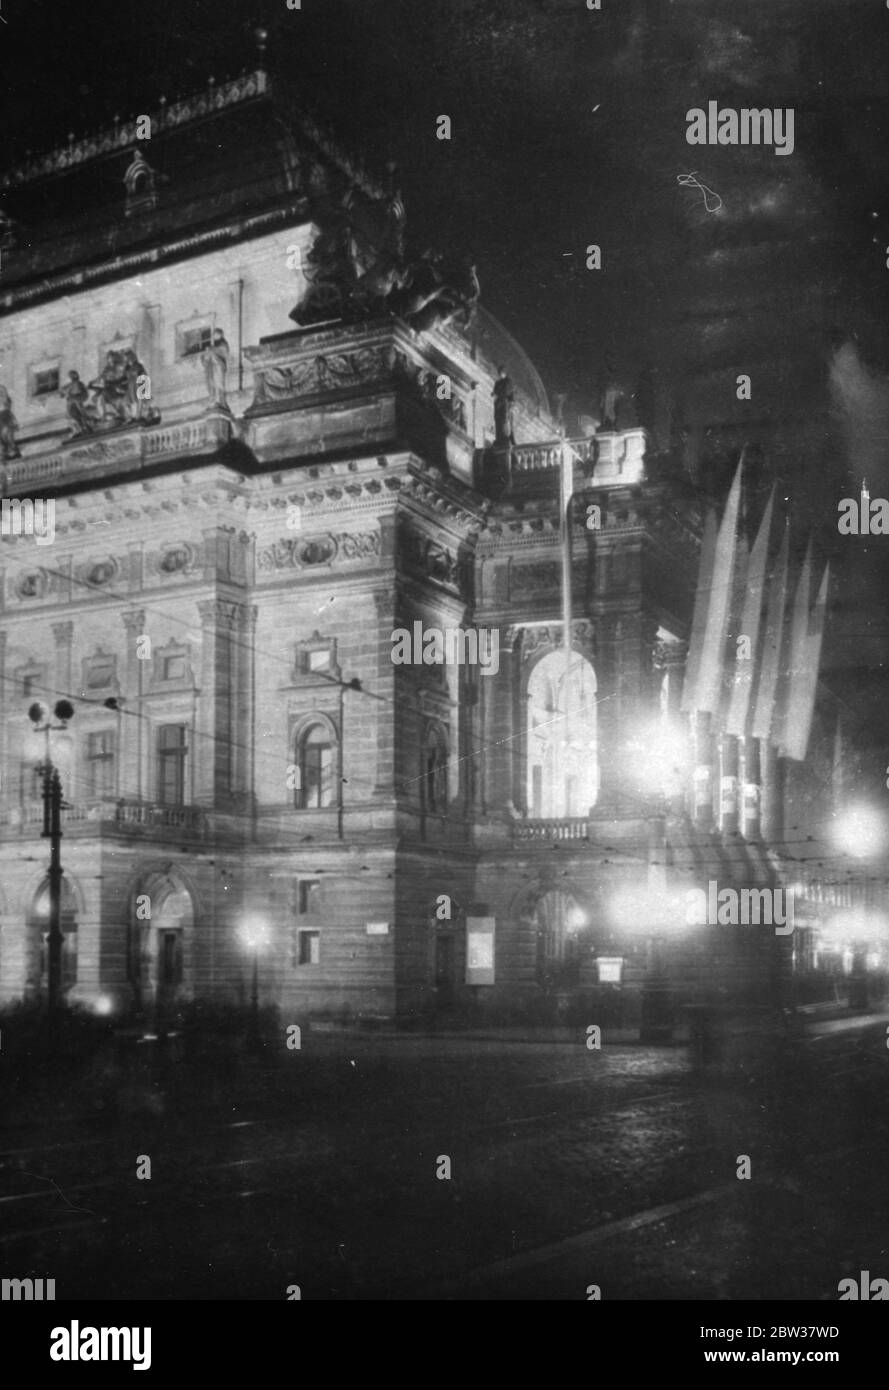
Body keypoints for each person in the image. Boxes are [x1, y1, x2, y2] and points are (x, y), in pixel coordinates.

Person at [201, 330, 230, 409]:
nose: (215, 336)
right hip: (211, 369)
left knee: (218, 384)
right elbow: (205, 360)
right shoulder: (213, 345)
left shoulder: (223, 344)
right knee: (211, 384)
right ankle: (213, 399)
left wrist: (212, 349)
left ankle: (220, 400)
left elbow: (223, 352)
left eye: (216, 334)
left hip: (218, 367)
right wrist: (206, 355)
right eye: (214, 335)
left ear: (221, 335)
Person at [493, 367, 515, 446]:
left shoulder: (508, 382)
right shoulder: (498, 383)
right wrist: (495, 395)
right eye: (499, 373)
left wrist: (511, 403)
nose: (500, 375)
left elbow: (509, 392)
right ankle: (499, 439)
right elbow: (495, 391)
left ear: (504, 373)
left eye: (501, 373)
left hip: (504, 403)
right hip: (498, 404)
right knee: (498, 421)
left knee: (505, 421)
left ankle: (506, 438)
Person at [0, 385, 20, 457]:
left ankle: (11, 449)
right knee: (4, 434)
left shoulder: (3, 394)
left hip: (5, 417)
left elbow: (7, 406)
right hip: (2, 417)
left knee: (7, 433)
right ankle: (6, 450)